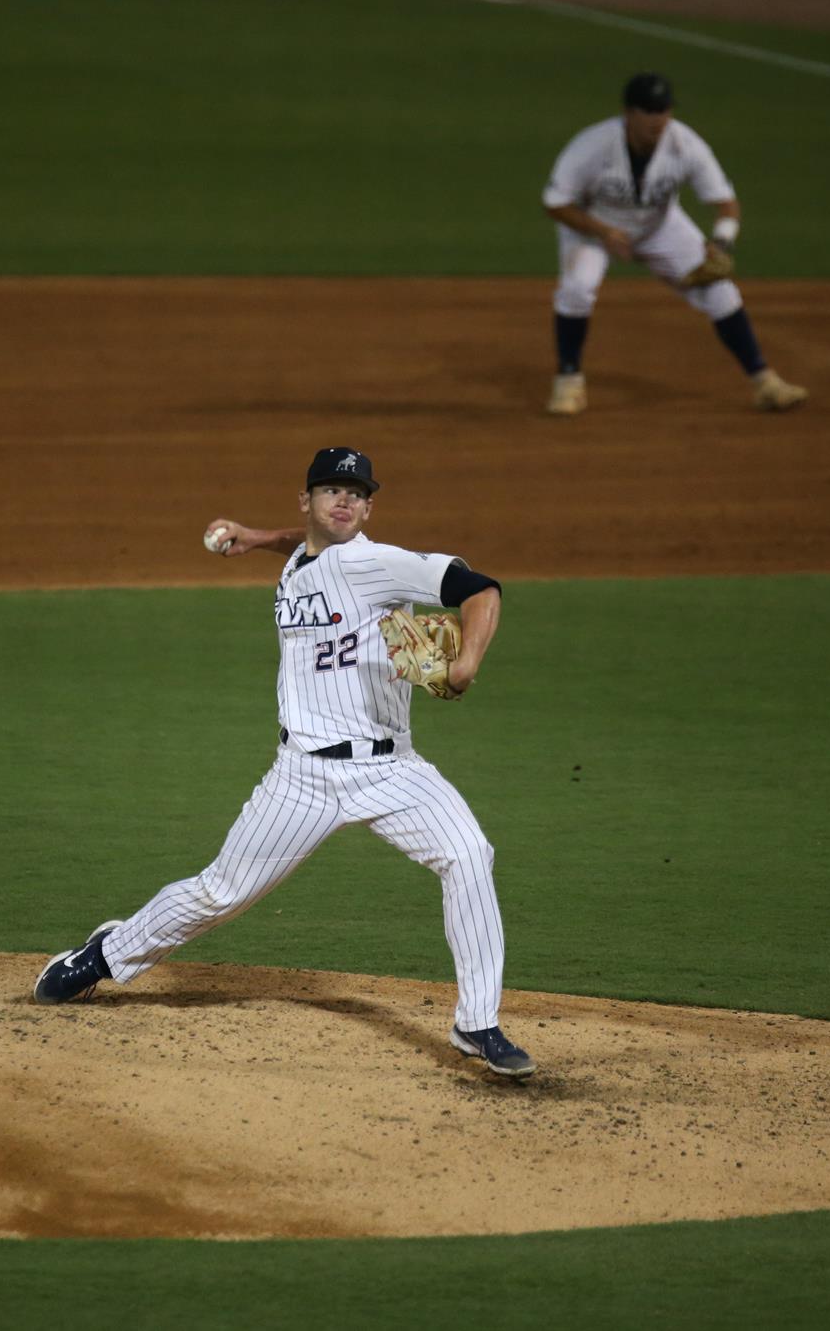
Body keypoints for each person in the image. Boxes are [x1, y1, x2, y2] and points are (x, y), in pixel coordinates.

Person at [31, 447, 535, 1079]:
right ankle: (105, 955)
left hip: (392, 771)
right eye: (331, 491)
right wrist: (258, 538)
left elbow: (479, 588)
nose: (344, 501)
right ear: (307, 501)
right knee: (220, 893)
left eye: (357, 494)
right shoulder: (303, 556)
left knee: (468, 855)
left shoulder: (377, 563)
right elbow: (308, 546)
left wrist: (468, 663)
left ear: (369, 508)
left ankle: (477, 1023)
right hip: (302, 779)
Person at [542, 71, 808, 415]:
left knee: (720, 290)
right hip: (592, 228)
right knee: (577, 288)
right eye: (649, 110)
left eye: (664, 109)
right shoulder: (592, 145)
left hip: (660, 228)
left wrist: (722, 243)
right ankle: (568, 382)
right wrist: (602, 231)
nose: (658, 118)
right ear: (629, 113)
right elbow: (555, 203)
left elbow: (725, 203)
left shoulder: (686, 145)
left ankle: (765, 382)